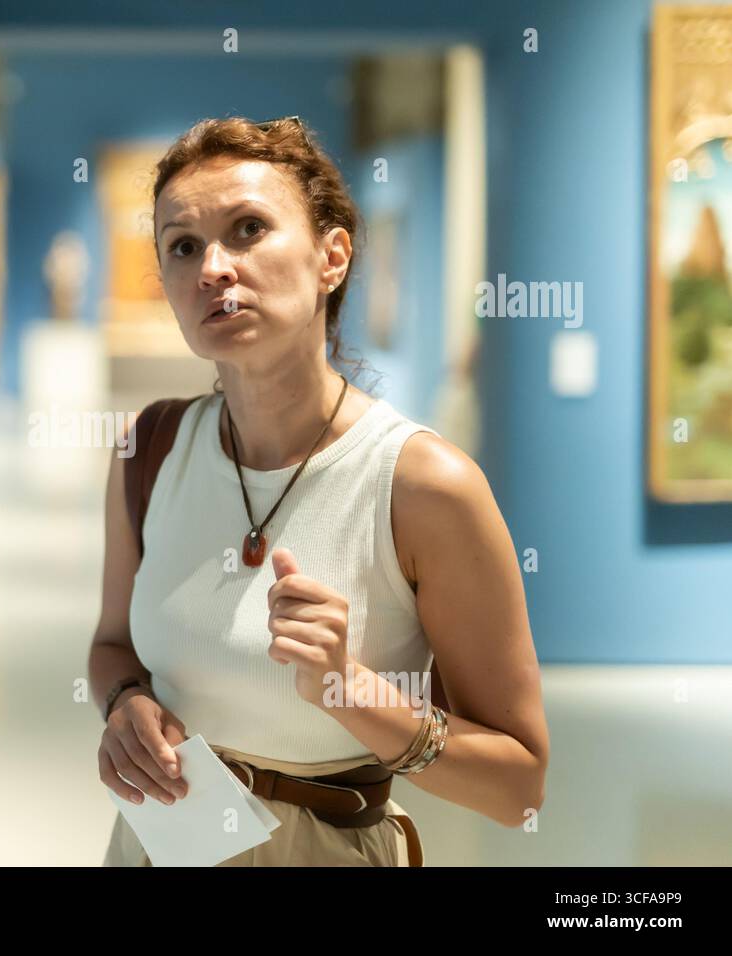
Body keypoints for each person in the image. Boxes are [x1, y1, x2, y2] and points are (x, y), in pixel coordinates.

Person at [89, 115, 550, 866]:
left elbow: (518, 787)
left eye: (247, 229)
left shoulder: (423, 485)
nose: (212, 267)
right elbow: (112, 645)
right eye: (182, 245)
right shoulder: (151, 448)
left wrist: (349, 688)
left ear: (332, 256)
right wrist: (122, 706)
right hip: (156, 843)